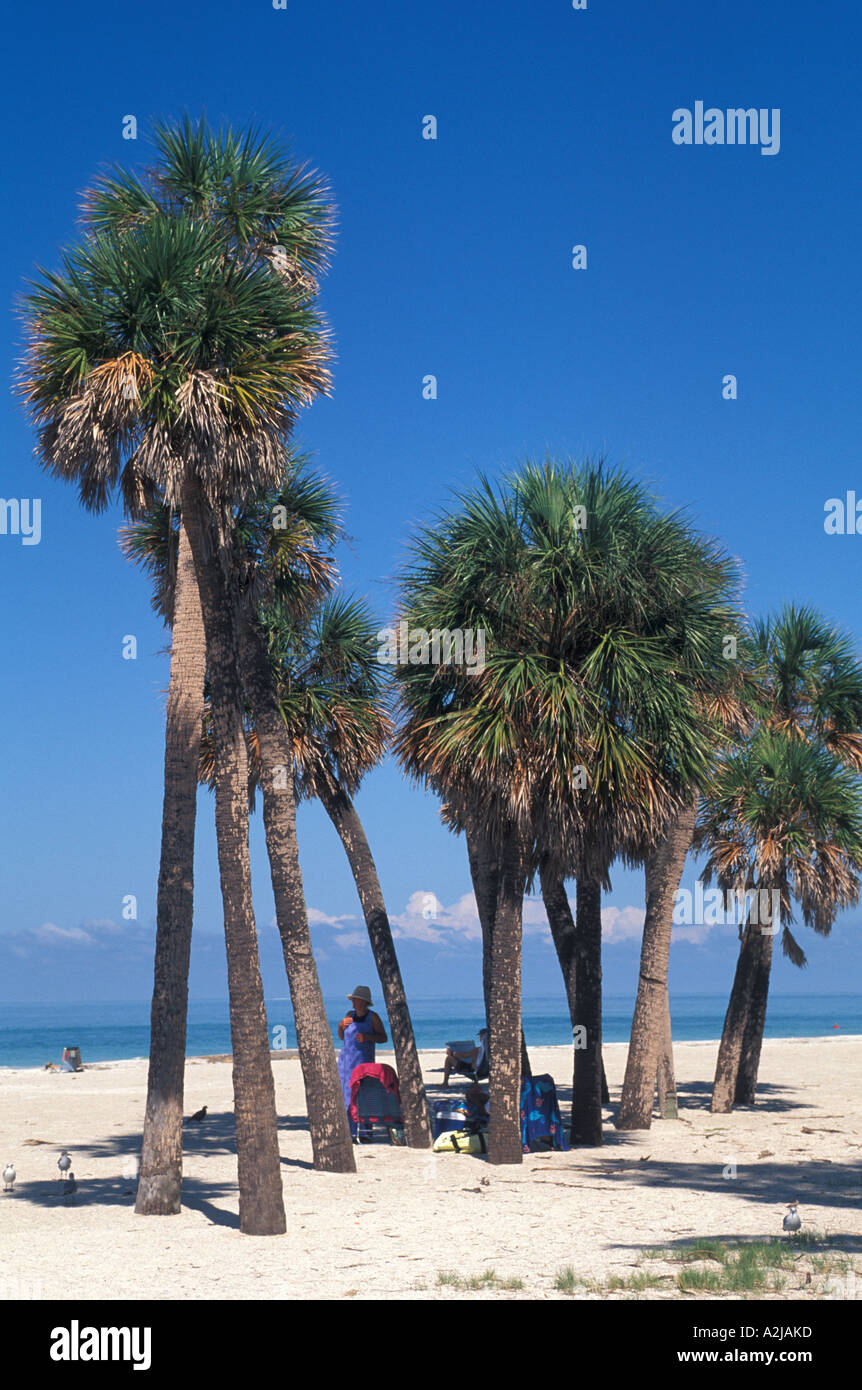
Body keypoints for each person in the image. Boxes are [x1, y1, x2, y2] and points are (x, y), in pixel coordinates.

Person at [337, 986, 387, 1139]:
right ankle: (350, 1132)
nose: (353, 1002)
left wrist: (367, 1037)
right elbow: (342, 1037)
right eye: (353, 999)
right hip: (346, 1063)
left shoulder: (373, 1017)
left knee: (364, 1096)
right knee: (346, 1096)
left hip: (363, 1063)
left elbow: (383, 1038)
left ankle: (365, 1133)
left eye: (356, 999)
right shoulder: (349, 1015)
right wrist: (340, 1026)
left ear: (364, 1002)